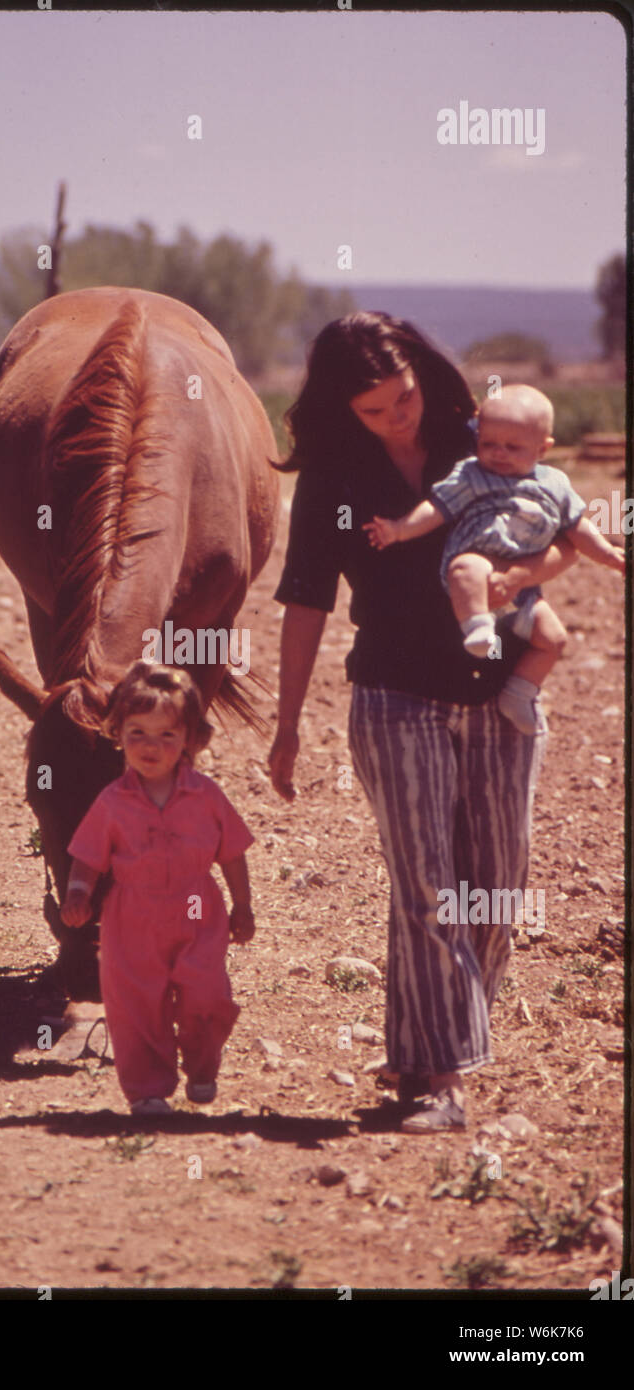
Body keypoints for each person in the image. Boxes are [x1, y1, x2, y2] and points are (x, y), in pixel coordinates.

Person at [268, 312, 578, 1133]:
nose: (395, 417)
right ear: (343, 409)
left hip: (500, 692)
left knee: (496, 889)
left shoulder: (480, 442)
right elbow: (305, 601)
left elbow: (558, 532)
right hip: (392, 697)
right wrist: (286, 722)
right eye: (372, 409)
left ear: (420, 375)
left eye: (401, 396)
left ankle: (416, 1049)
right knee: (429, 890)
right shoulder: (332, 477)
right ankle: (444, 1078)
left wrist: (517, 578)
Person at [364, 384, 625, 734]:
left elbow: (578, 528)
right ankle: (477, 624)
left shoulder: (556, 484)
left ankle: (520, 691)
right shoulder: (471, 475)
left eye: (513, 447)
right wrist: (399, 529)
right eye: (488, 444)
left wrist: (609, 555)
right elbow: (436, 509)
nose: (498, 453)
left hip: (526, 590)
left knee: (554, 639)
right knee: (465, 568)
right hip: (478, 557)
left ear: (543, 448)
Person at [61, 661, 255, 1116]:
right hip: (131, 915)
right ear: (118, 734)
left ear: (191, 739)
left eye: (167, 735)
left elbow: (232, 853)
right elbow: (88, 855)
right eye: (138, 733)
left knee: (206, 992)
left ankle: (203, 1062)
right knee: (135, 1002)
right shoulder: (112, 801)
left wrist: (243, 906)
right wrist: (77, 893)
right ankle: (147, 1089)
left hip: (196, 908)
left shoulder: (206, 796)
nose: (152, 746)